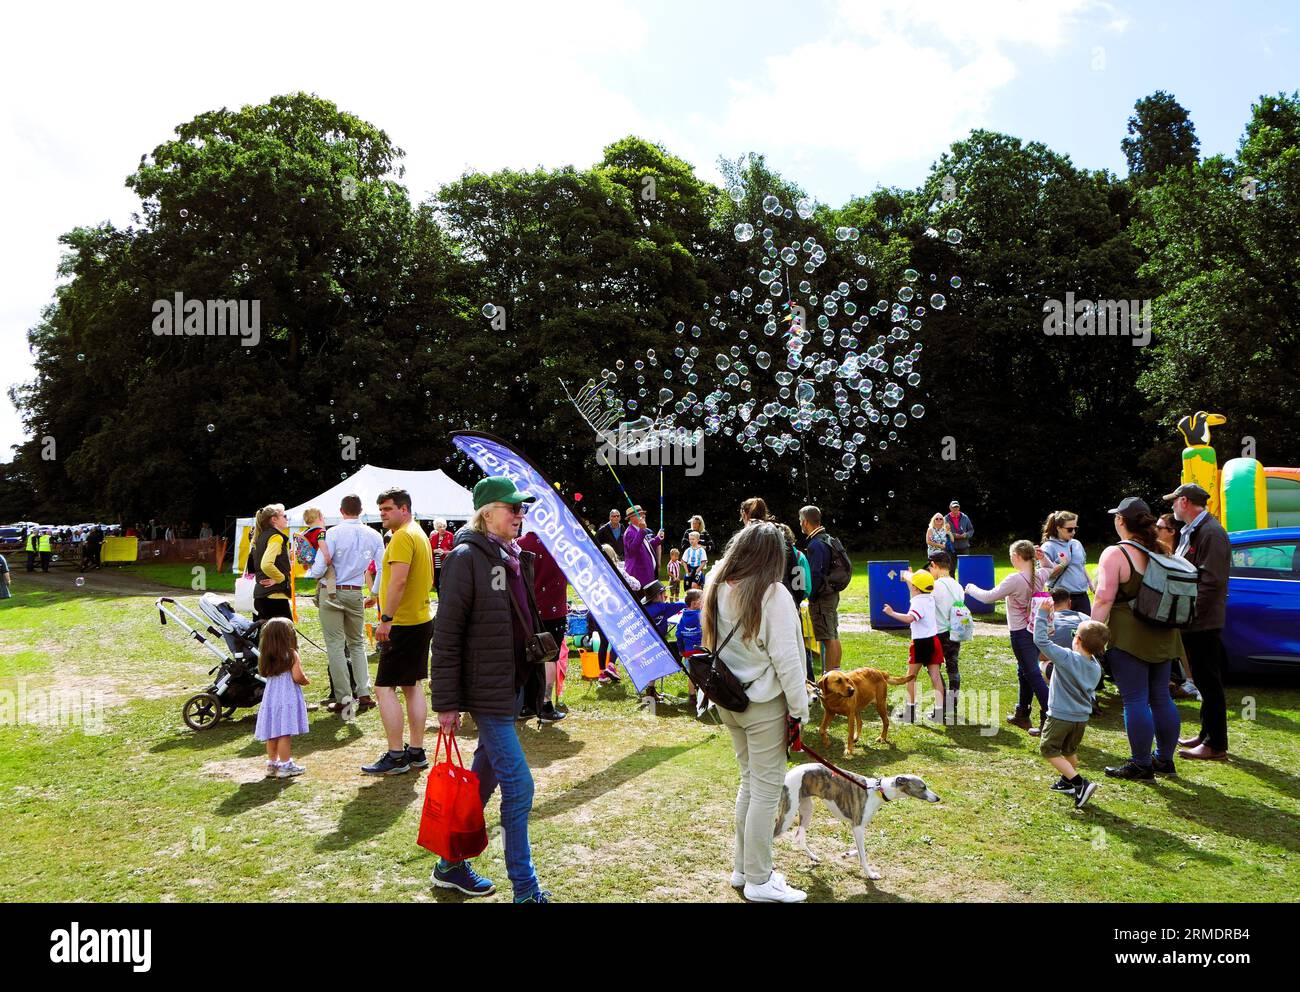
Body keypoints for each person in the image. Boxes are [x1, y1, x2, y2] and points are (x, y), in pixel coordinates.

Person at [430, 475, 551, 903]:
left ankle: (449, 864)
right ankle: (526, 888)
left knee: (482, 782)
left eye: (522, 509)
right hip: (488, 693)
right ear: (487, 512)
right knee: (520, 787)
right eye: (512, 508)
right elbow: (446, 635)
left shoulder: (511, 557)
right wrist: (445, 703)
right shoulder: (467, 556)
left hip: (511, 687)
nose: (520, 515)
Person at [705, 521, 810, 903]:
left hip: (730, 700)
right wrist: (800, 711)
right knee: (765, 791)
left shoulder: (719, 583)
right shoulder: (771, 594)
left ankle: (744, 870)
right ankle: (759, 879)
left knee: (751, 785)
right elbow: (789, 661)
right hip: (762, 703)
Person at [1091, 497, 1183, 780]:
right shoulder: (1163, 551)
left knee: (1135, 700)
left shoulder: (1115, 554)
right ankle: (1164, 760)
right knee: (1161, 697)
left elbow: (1104, 597)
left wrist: (1089, 632)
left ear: (1121, 521)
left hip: (1129, 637)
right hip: (1164, 634)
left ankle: (1141, 764)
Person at [361, 489, 434, 776]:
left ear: (404, 509)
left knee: (383, 688)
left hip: (403, 622)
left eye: (388, 509)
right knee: (412, 685)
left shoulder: (403, 536)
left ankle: (396, 755)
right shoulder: (418, 532)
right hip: (420, 618)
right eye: (380, 510)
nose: (383, 514)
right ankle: (415, 751)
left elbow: (399, 581)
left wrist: (386, 619)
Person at [1165, 483, 1232, 761]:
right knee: (1204, 681)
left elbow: (1211, 582)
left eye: (1173, 502)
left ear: (1184, 502)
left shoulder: (1211, 533)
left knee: (1208, 680)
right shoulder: (1195, 530)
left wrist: (1188, 614)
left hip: (1201, 622)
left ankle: (1216, 744)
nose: (1171, 507)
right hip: (1195, 621)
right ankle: (1206, 735)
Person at [965, 540, 1052, 735]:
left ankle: (1050, 716)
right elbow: (1050, 567)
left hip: (1021, 633)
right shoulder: (1039, 575)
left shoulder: (1015, 579)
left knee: (1032, 673)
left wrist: (970, 588)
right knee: (1024, 671)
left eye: (1012, 556)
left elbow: (988, 597)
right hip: (1035, 630)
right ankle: (1022, 713)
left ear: (1017, 557)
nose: (1011, 559)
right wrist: (1043, 557)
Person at [309, 494, 384, 716]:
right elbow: (381, 568)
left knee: (335, 644)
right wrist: (374, 592)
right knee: (357, 643)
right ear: (361, 511)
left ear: (341, 511)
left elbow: (319, 568)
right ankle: (364, 693)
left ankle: (343, 697)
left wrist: (310, 569)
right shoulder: (373, 534)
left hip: (331, 592)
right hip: (354, 592)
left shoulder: (332, 533)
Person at [1031, 599, 1106, 808]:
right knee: (1068, 750)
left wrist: (1042, 615)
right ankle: (1067, 782)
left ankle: (1080, 783)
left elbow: (1041, 641)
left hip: (1060, 716)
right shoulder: (1095, 666)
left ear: (1078, 640)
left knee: (1048, 749)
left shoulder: (1067, 658)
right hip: (1081, 718)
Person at [517, 529, 568, 723]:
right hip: (554, 609)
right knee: (550, 657)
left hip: (529, 609)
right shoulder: (559, 543)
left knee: (529, 655)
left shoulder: (519, 543)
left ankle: (527, 704)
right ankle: (545, 705)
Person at [883, 569, 946, 723]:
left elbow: (910, 618)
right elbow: (915, 585)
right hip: (934, 641)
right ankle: (939, 713)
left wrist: (892, 613)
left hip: (920, 643)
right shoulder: (929, 597)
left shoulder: (917, 602)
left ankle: (910, 711)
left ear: (916, 588)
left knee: (910, 677)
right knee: (936, 677)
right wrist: (908, 575)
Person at [254, 616, 311, 779]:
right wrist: (305, 680)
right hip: (287, 697)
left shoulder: (266, 656)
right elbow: (297, 676)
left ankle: (272, 764)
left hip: (272, 698)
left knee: (272, 732)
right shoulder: (291, 654)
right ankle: (286, 764)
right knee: (284, 732)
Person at [798, 505, 842, 673]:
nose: (800, 524)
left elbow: (815, 574)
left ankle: (831, 677)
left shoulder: (816, 544)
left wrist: (811, 594)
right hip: (831, 593)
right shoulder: (827, 538)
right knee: (833, 635)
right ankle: (836, 672)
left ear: (806, 522)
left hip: (822, 596)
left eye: (801, 521)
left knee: (827, 638)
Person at [927, 551, 964, 719]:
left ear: (934, 565)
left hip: (939, 632)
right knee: (953, 667)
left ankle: (940, 707)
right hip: (955, 631)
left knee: (933, 669)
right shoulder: (957, 585)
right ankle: (953, 703)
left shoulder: (936, 586)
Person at [1038, 510, 1096, 613]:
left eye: (1075, 528)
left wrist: (1091, 585)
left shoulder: (1077, 544)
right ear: (1058, 528)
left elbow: (1081, 566)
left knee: (1085, 628)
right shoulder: (1048, 547)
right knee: (1061, 629)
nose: (1073, 532)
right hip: (1060, 598)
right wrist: (1062, 565)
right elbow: (1045, 576)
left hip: (1082, 596)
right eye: (1070, 529)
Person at [249, 505, 293, 622]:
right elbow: (266, 564)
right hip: (274, 598)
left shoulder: (259, 537)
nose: (286, 519)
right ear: (274, 519)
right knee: (285, 637)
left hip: (261, 596)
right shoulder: (276, 537)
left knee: (265, 638)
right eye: (284, 516)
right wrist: (281, 578)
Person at [622, 505, 663, 586]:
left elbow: (645, 547)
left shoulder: (638, 530)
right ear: (632, 518)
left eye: (643, 514)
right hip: (639, 575)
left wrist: (658, 539)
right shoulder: (630, 532)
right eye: (640, 514)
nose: (643, 516)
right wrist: (641, 531)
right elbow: (633, 550)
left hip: (646, 573)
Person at [946, 501, 974, 575]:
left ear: (959, 507)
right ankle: (952, 585)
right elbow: (943, 532)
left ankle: (965, 584)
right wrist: (954, 535)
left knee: (966, 567)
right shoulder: (945, 518)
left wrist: (966, 535)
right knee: (951, 568)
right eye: (953, 507)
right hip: (951, 547)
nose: (955, 509)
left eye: (957, 507)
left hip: (964, 546)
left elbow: (971, 530)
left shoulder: (965, 517)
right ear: (950, 508)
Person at [430, 518, 455, 594]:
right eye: (440, 526)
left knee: (446, 583)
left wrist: (445, 552)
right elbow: (429, 550)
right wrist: (434, 551)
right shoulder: (434, 537)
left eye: (444, 526)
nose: (442, 528)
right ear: (436, 528)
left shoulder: (450, 536)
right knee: (437, 583)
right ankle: (440, 600)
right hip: (436, 565)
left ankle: (446, 599)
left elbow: (455, 550)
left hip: (446, 564)